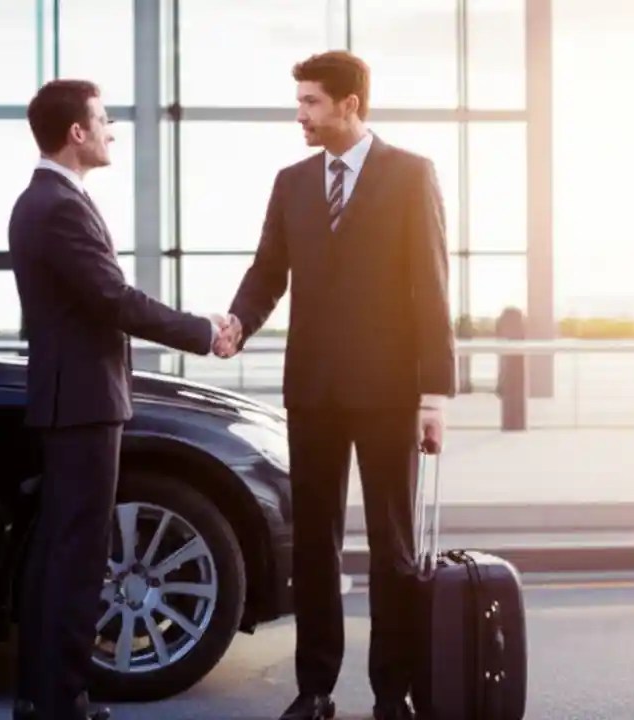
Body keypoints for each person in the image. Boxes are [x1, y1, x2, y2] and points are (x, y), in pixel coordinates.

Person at [213, 51, 455, 720]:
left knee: (392, 548)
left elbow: (432, 285)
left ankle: (391, 694)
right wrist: (237, 323)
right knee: (315, 547)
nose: (301, 115)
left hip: (390, 393)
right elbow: (268, 271)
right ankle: (314, 689)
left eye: (311, 102)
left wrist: (434, 395)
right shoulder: (292, 182)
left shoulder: (411, 175)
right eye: (300, 102)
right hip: (313, 391)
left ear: (350, 104)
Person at [8, 79, 228, 720]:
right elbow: (114, 299)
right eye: (103, 120)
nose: (111, 131)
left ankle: (41, 695)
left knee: (57, 553)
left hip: (69, 398)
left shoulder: (45, 200)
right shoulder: (59, 205)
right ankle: (62, 701)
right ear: (76, 132)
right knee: (76, 558)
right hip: (82, 401)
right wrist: (202, 331)